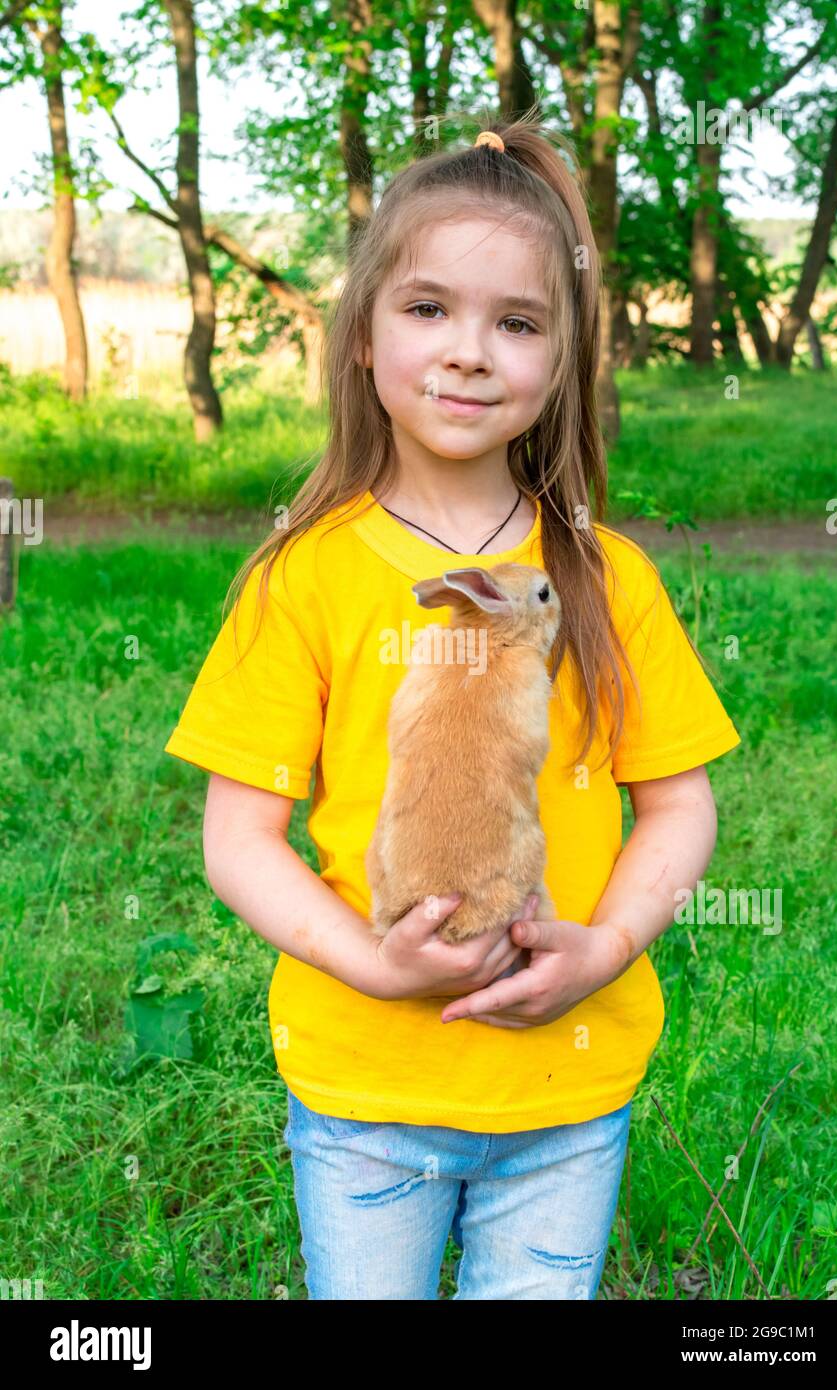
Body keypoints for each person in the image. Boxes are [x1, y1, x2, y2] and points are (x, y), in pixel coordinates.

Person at [164, 111, 741, 1300]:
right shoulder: (303, 576)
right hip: (364, 1093)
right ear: (363, 336)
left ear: (561, 357)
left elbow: (678, 808)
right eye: (427, 309)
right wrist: (371, 967)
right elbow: (238, 840)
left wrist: (604, 949)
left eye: (516, 322)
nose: (469, 352)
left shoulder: (602, 578)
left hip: (565, 1096)